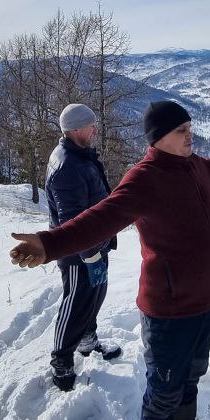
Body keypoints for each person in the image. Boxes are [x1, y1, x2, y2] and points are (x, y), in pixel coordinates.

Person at [11, 99, 210, 420]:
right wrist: (49, 245)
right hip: (167, 311)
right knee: (163, 393)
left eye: (190, 128)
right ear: (158, 138)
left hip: (202, 303)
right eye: (182, 131)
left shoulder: (194, 164)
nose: (190, 136)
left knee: (191, 377)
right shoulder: (145, 179)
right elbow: (97, 219)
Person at [45, 103, 123, 392]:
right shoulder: (67, 166)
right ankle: (61, 363)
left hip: (94, 246)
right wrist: (89, 256)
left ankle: (87, 340)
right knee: (76, 301)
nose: (96, 129)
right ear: (76, 129)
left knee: (94, 295)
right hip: (79, 253)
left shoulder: (78, 155)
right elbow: (71, 220)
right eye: (91, 125)